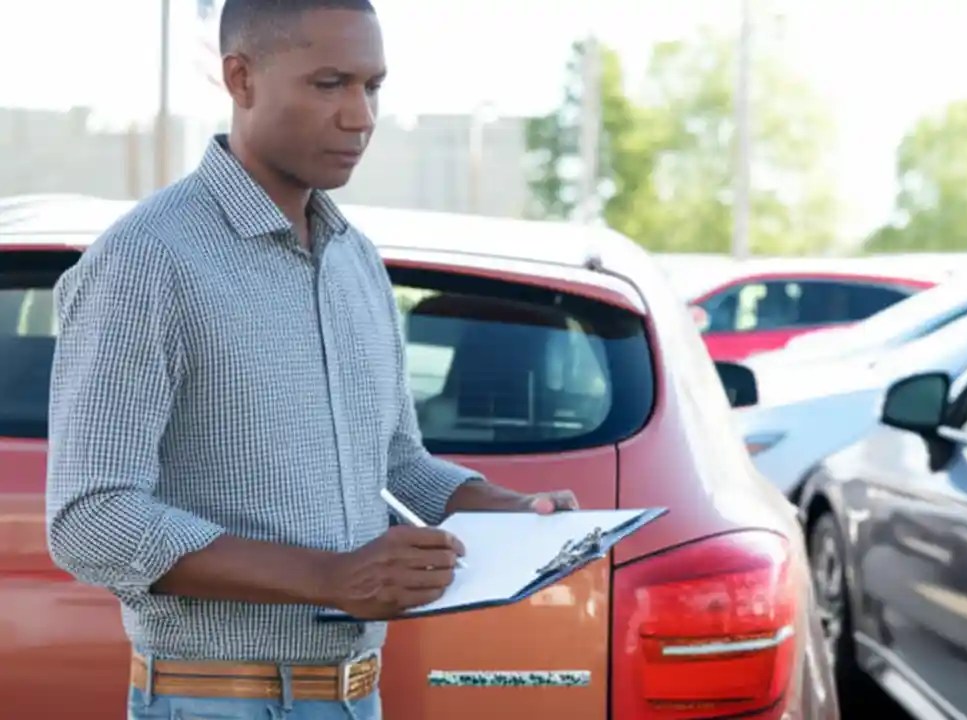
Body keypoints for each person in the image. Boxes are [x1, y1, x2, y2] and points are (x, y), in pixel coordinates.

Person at [43, 1, 577, 718]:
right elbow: (91, 519)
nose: (360, 117)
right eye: (330, 83)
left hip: (357, 696)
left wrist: (506, 511)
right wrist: (329, 577)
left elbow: (398, 462)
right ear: (241, 79)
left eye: (372, 86)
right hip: (217, 701)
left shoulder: (354, 260)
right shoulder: (147, 260)